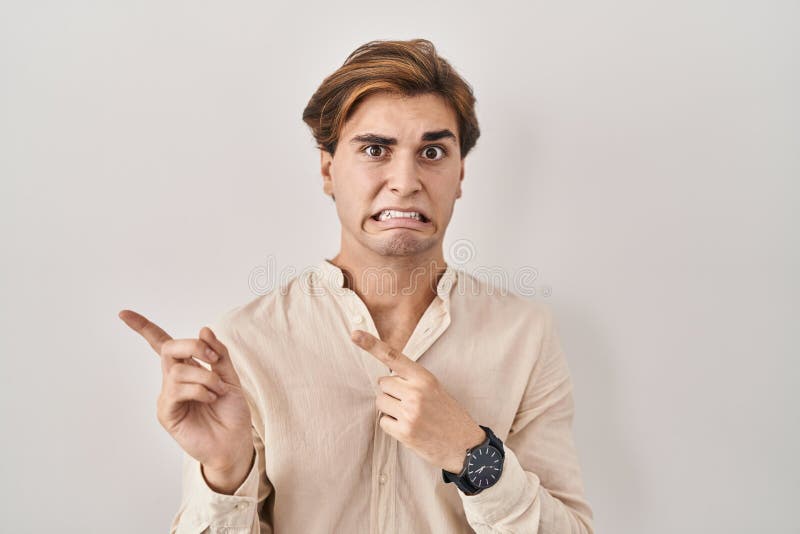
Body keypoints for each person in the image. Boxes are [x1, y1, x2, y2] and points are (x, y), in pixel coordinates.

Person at [119, 38, 594, 533]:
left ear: (459, 175)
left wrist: (472, 455)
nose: (405, 180)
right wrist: (223, 473)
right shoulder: (240, 342)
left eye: (432, 151)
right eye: (375, 150)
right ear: (328, 169)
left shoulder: (526, 334)